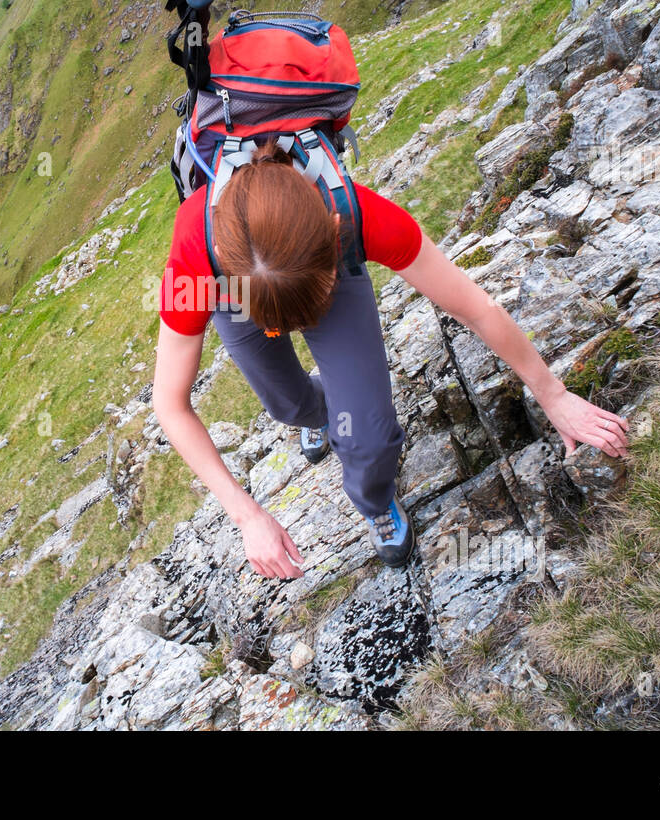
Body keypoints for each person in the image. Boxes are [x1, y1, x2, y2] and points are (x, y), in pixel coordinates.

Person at [151, 139, 629, 578]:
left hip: (310, 267)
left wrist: (555, 394)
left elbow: (477, 308)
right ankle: (314, 415)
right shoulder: (195, 253)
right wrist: (246, 513)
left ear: (336, 232)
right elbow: (169, 404)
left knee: (369, 436)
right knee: (286, 404)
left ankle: (375, 499)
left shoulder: (358, 216)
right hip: (239, 286)